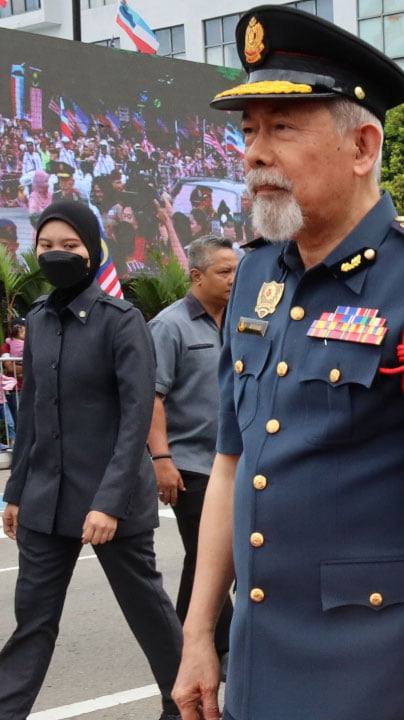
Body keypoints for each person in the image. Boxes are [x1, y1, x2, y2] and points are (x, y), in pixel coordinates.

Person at [171, 7, 404, 719]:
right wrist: (200, 631)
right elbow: (232, 466)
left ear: (362, 145)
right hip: (264, 659)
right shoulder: (258, 279)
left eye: (283, 128)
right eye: (249, 131)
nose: (255, 154)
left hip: (382, 667)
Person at [0, 201, 184, 720]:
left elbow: (135, 419)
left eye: (69, 246)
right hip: (45, 504)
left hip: (111, 503)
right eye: (46, 246)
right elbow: (30, 413)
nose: (56, 255)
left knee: (149, 613)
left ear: (91, 250)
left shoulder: (122, 321)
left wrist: (109, 503)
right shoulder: (39, 320)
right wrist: (15, 492)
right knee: (32, 623)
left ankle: (184, 704)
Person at [146, 236, 240, 674]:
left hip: (236, 460)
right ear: (197, 276)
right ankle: (211, 641)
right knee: (209, 555)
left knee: (215, 556)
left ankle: (200, 637)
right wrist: (162, 460)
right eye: (224, 272)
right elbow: (153, 398)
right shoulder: (169, 326)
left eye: (236, 270)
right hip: (192, 464)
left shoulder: (241, 321)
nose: (233, 279)